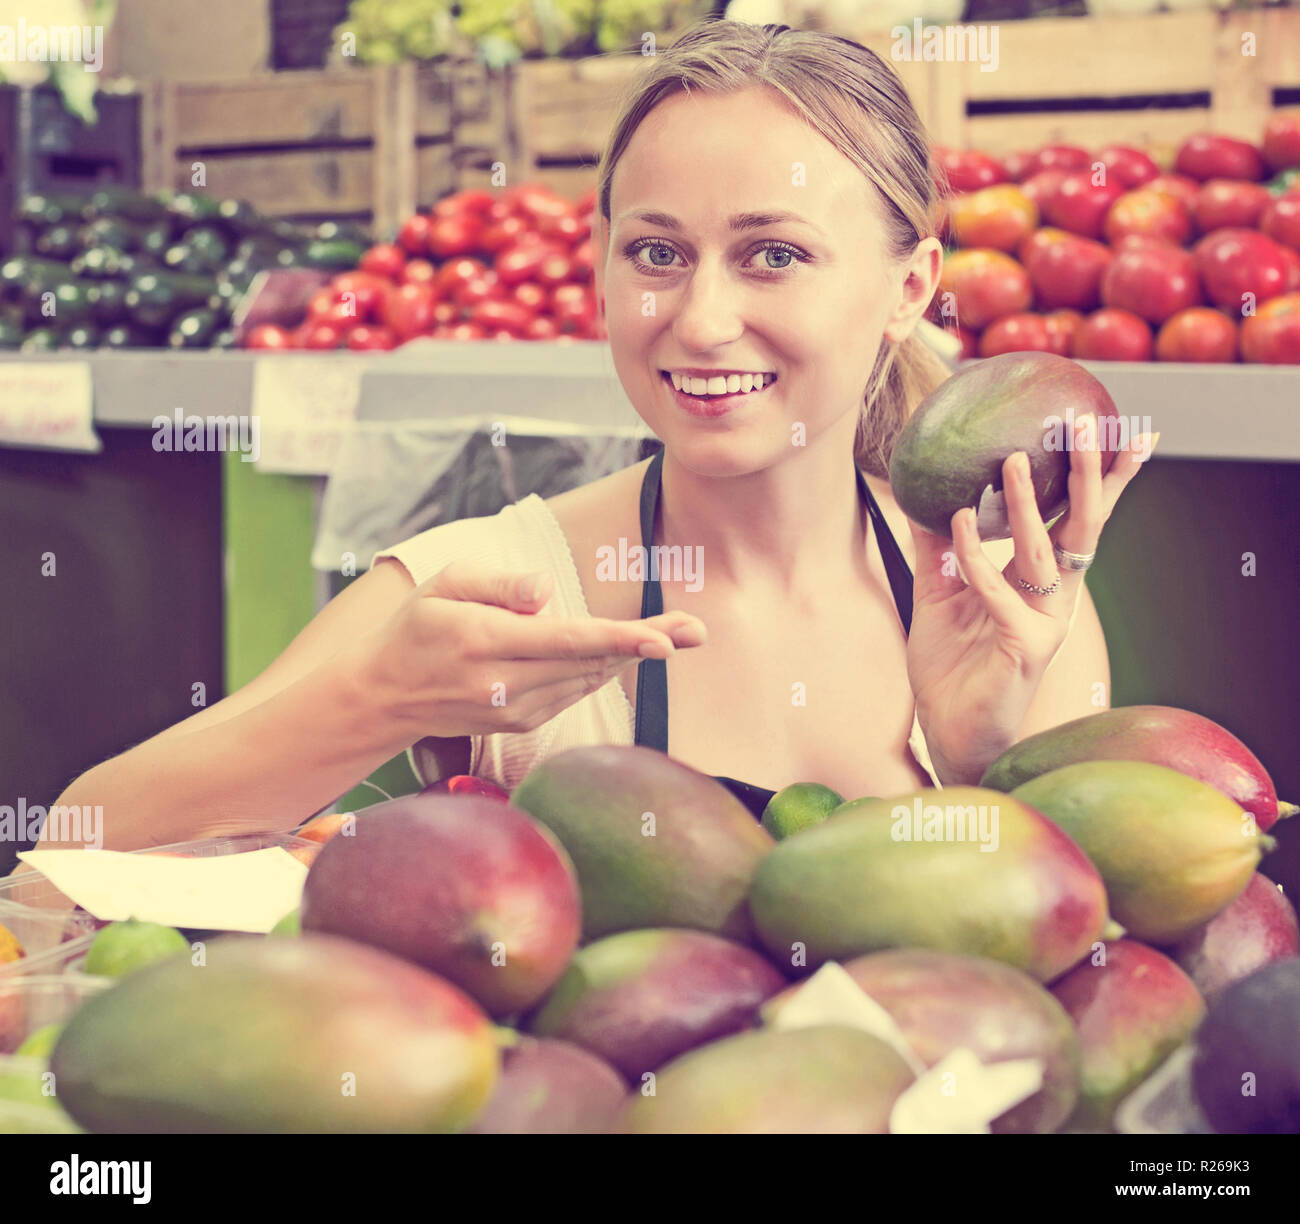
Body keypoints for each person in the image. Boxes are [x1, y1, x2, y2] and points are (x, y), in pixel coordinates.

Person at [35, 19, 1153, 851]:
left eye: (774, 254)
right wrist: (382, 702)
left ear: (909, 287)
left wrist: (981, 772)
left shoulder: (1006, 597)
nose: (701, 321)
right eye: (657, 253)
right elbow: (68, 851)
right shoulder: (497, 589)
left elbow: (1094, 964)